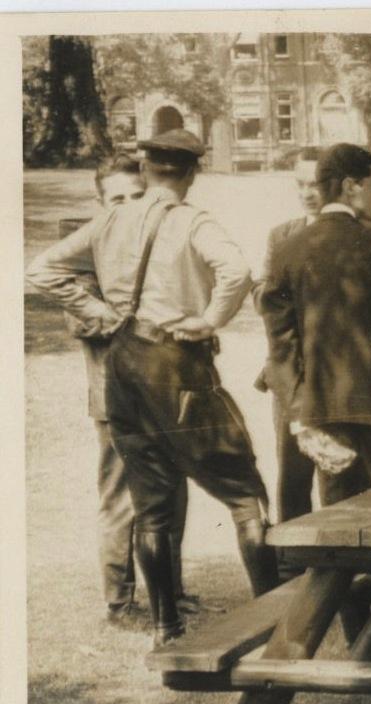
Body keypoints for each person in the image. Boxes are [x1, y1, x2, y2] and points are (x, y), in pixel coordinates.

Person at [26, 129, 279, 646]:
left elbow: (41, 268)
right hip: (177, 365)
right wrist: (210, 319)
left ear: (146, 170)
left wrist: (100, 311)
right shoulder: (191, 220)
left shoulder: (111, 219)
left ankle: (167, 627)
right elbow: (235, 269)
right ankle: (276, 620)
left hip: (122, 368)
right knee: (245, 495)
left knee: (152, 504)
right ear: (191, 173)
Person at [260, 142, 371, 505]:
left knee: (340, 516)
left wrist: (299, 407)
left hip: (321, 407)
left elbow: (281, 340)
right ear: (351, 186)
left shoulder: (288, 249)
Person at [64, 156, 191, 625]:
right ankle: (119, 601)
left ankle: (170, 593)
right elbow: (79, 317)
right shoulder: (86, 250)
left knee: (172, 493)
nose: (129, 207)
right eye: (117, 199)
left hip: (163, 391)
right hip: (116, 397)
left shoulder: (157, 244)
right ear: (100, 204)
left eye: (137, 197)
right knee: (121, 499)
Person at [252, 157, 323, 576]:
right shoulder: (281, 235)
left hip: (335, 373)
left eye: (313, 183)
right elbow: (264, 297)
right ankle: (293, 565)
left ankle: (342, 562)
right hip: (288, 373)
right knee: (292, 471)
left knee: (340, 477)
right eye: (299, 184)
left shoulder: (358, 235)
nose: (306, 192)